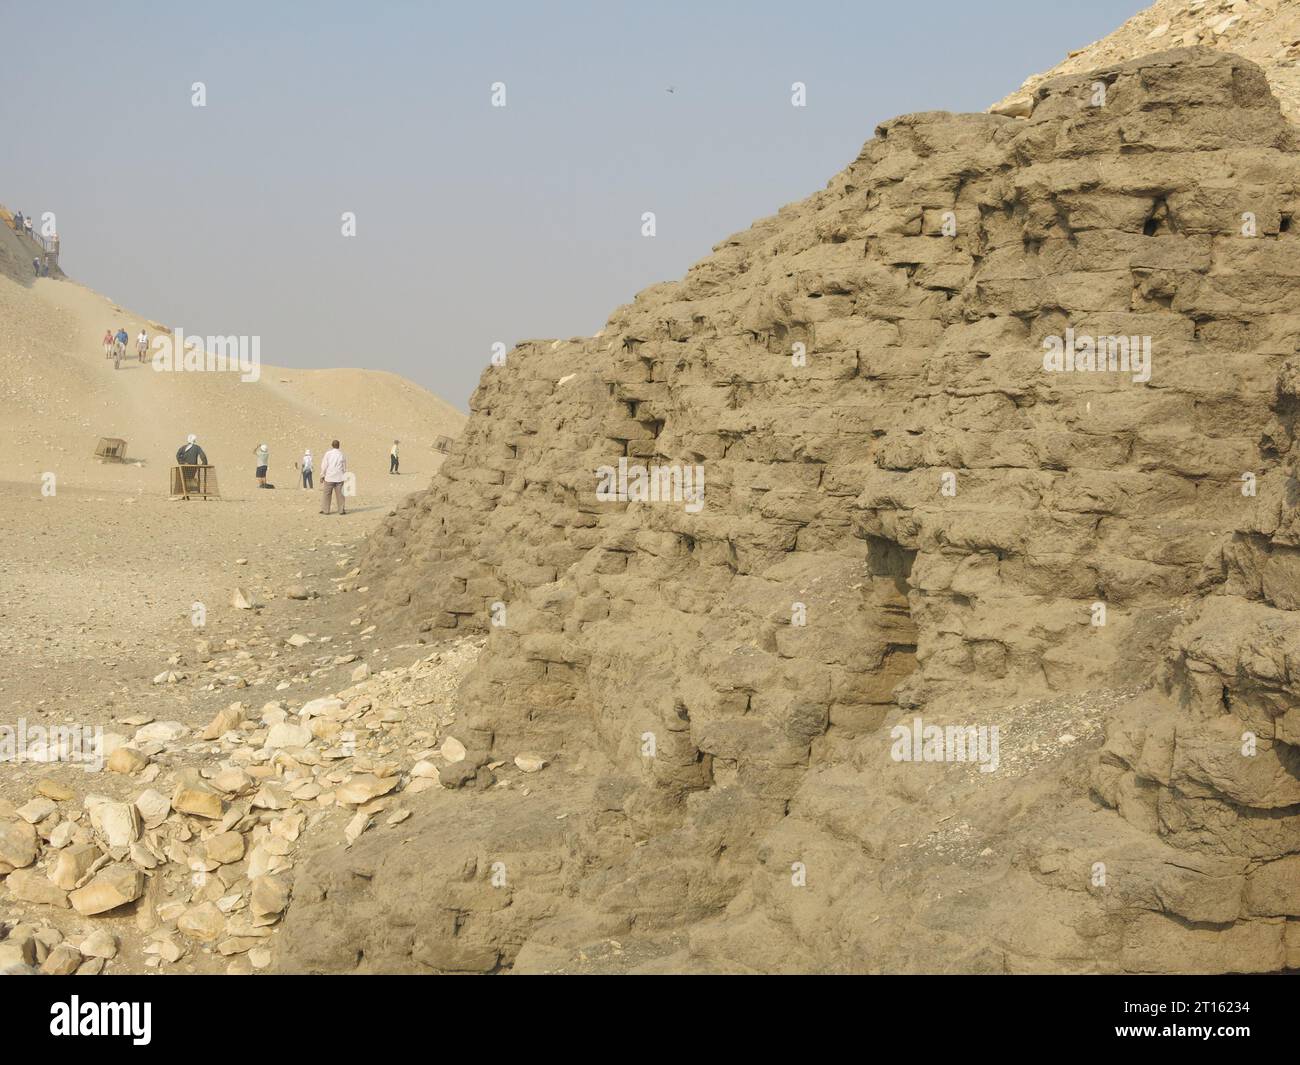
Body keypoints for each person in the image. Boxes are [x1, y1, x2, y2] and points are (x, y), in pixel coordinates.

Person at [320, 439, 347, 515]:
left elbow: (324, 465)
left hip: (329, 477)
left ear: (332, 445)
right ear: (339, 445)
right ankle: (341, 510)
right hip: (339, 477)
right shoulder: (342, 454)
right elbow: (344, 467)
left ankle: (325, 510)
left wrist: (322, 475)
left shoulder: (328, 454)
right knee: (340, 495)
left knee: (327, 494)